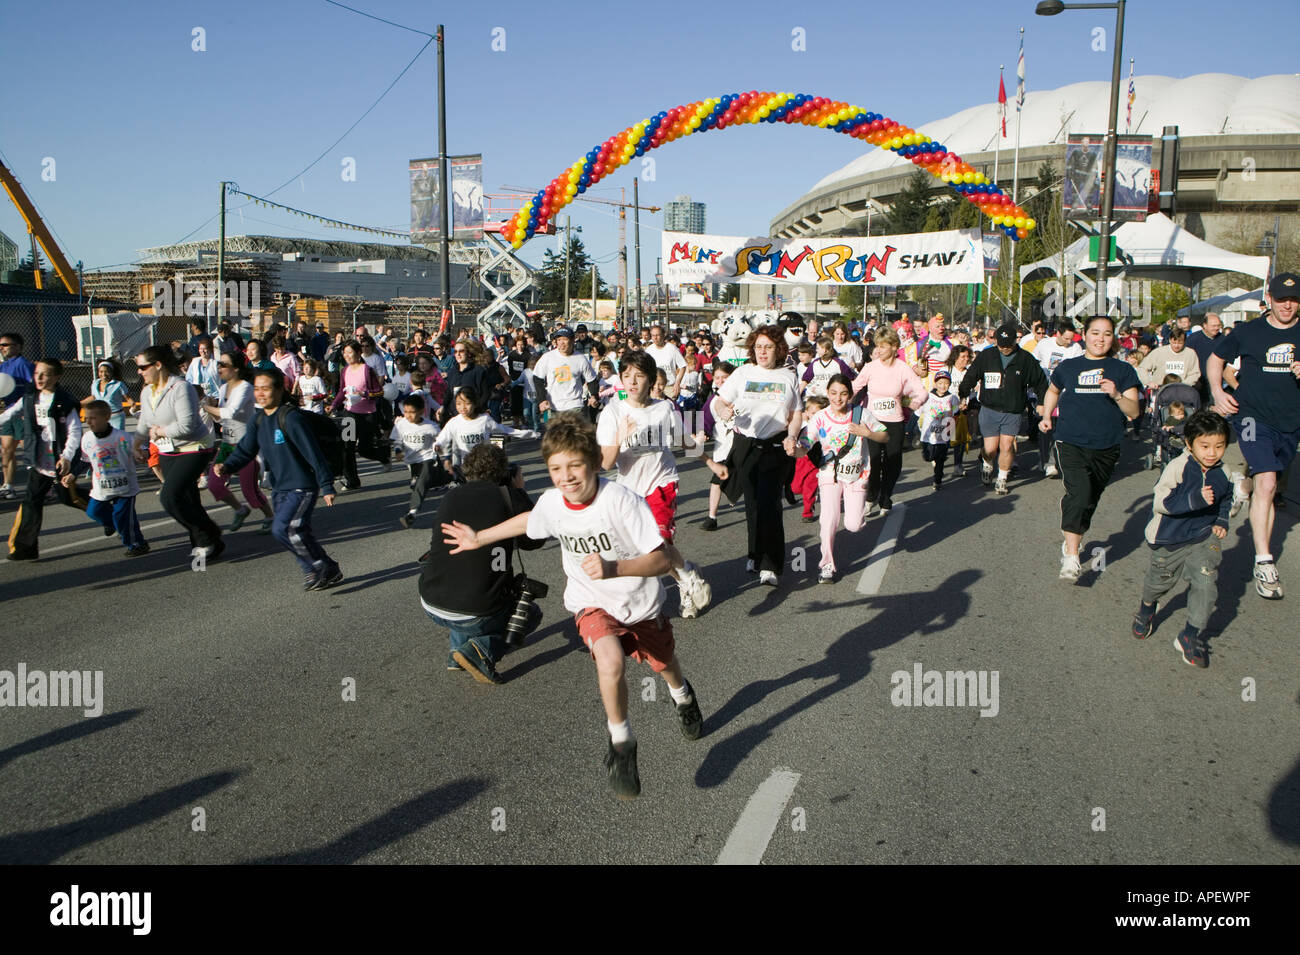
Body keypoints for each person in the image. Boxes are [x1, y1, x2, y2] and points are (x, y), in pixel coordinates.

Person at [442, 412, 704, 799]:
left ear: (596, 463)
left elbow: (663, 560)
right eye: (555, 468)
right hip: (591, 602)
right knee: (610, 661)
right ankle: (621, 745)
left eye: (575, 466)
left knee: (664, 664)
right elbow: (532, 519)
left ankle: (682, 695)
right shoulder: (554, 502)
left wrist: (615, 567)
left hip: (639, 601)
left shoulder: (621, 501)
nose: (566, 477)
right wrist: (479, 538)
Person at [596, 351, 712, 619]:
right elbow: (605, 463)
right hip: (629, 490)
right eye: (627, 376)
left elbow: (684, 441)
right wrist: (619, 435)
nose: (633, 382)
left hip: (662, 483)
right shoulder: (613, 411)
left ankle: (686, 581)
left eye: (639, 376)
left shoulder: (664, 409)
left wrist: (710, 463)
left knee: (659, 542)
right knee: (646, 550)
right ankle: (686, 574)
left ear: (650, 379)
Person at [1207, 272, 1300, 599]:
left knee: (1266, 479)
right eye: (1281, 299)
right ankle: (1264, 561)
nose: (1287, 305)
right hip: (1251, 417)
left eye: (1293, 299)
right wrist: (1218, 392)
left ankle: (1241, 485)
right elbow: (1216, 358)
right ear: (1269, 299)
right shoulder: (1248, 331)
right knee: (1269, 483)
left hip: (1291, 422)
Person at [419, 443, 544, 682]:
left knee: (465, 578)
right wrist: (519, 491)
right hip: (476, 612)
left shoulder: (451, 495)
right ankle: (480, 651)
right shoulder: (507, 496)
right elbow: (533, 541)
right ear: (504, 471)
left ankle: (456, 653)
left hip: (431, 600)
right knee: (531, 613)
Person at [214, 367, 342, 591]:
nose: (260, 393)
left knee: (283, 529)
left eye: (265, 388)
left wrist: (326, 485)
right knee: (298, 532)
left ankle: (319, 566)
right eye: (257, 389)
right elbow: (245, 450)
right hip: (280, 487)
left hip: (302, 487)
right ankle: (321, 568)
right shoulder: (258, 420)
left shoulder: (290, 418)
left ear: (280, 390)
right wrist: (226, 466)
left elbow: (313, 453)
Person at [1039, 315, 1142, 582]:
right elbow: (1052, 390)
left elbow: (1134, 412)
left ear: (1113, 338)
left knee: (1090, 499)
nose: (1100, 339)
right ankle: (1071, 556)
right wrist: (1047, 415)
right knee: (1080, 492)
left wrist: (1117, 395)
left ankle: (1073, 533)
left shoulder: (1122, 370)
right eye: (1095, 333)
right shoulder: (1069, 366)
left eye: (1107, 334)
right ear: (1083, 335)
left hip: (1107, 444)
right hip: (1070, 440)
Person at [1131, 411, 1232, 667]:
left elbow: (1226, 499)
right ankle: (1147, 607)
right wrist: (1195, 499)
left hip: (1203, 536)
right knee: (1158, 583)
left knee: (1206, 584)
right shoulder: (1178, 467)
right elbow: (1161, 502)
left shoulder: (1224, 472)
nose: (1212, 453)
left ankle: (1190, 634)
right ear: (1189, 444)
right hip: (1170, 537)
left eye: (1219, 446)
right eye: (1205, 446)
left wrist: (1222, 520)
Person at [713, 325, 804, 586]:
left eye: (768, 347)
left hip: (775, 445)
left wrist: (792, 435)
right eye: (758, 346)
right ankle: (754, 554)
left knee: (770, 504)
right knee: (752, 504)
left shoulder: (788, 376)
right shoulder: (743, 373)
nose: (762, 352)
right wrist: (723, 412)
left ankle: (771, 564)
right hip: (746, 445)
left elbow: (796, 412)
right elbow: (719, 401)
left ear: (779, 350)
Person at [133, 345, 225, 561]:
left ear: (158, 365)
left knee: (169, 497)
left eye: (143, 367)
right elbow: (144, 421)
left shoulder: (181, 388)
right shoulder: (148, 391)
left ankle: (208, 534)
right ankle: (210, 544)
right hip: (168, 449)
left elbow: (188, 426)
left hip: (195, 447)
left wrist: (159, 431)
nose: (139, 371)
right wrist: (136, 443)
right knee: (188, 498)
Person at [800, 375, 887, 582]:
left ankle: (857, 515)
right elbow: (805, 443)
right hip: (829, 473)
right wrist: (794, 448)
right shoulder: (820, 417)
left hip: (857, 475)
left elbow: (884, 435)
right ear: (828, 393)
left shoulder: (860, 414)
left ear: (850, 395)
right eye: (833, 393)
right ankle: (827, 565)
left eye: (843, 394)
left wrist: (868, 433)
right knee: (828, 520)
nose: (838, 398)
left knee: (853, 525)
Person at [3, 359, 87, 560]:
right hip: (39, 460)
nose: (39, 378)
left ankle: (110, 513)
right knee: (32, 501)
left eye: (45, 374)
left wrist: (66, 457)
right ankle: (26, 548)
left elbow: (75, 432)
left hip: (60, 460)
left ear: (57, 377)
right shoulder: (30, 397)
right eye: (37, 374)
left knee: (69, 498)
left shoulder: (65, 401)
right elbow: (8, 415)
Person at [958, 323, 1048, 495]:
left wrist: (1042, 403)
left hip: (1013, 410)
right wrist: (963, 393)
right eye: (1001, 345)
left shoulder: (1025, 359)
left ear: (1015, 342)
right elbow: (972, 375)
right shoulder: (987, 356)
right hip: (990, 408)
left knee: (1007, 446)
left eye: (1009, 345)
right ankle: (987, 462)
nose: (1005, 349)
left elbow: (1040, 381)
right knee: (990, 449)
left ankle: (1002, 478)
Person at [849, 326, 929, 512]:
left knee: (893, 462)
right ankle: (871, 496)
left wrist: (916, 402)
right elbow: (855, 387)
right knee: (874, 460)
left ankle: (886, 496)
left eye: (883, 346)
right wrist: (841, 403)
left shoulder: (903, 369)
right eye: (877, 346)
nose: (878, 350)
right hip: (872, 421)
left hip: (894, 421)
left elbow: (921, 391)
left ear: (894, 347)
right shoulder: (870, 367)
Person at [63, 399, 149, 556]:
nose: (88, 421)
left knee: (123, 517)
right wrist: (72, 475)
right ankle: (113, 524)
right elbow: (85, 460)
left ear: (107, 417)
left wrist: (140, 454)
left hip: (125, 486)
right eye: (86, 417)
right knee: (94, 512)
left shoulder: (122, 437)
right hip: (102, 486)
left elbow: (141, 450)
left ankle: (137, 544)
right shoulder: (87, 438)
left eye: (93, 418)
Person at [202, 350, 274, 533]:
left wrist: (206, 406)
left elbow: (231, 412)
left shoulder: (245, 388)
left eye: (223, 364)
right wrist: (210, 406)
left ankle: (270, 516)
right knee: (214, 484)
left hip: (245, 446)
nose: (219, 367)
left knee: (249, 491)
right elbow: (221, 419)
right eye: (218, 364)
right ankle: (240, 510)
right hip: (227, 443)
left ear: (235, 369)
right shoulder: (223, 388)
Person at [435, 388, 538, 481]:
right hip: (467, 465)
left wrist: (527, 434)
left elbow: (504, 430)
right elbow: (443, 437)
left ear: (475, 403)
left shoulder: (484, 419)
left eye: (467, 403)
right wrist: (437, 445)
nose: (463, 407)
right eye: (458, 404)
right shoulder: (454, 422)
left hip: (485, 464)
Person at [330, 339, 390, 489]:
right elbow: (341, 392)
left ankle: (384, 457)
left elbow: (379, 391)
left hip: (367, 415)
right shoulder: (345, 371)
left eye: (350, 352)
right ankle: (352, 481)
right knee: (346, 447)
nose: (347, 356)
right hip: (349, 413)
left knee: (364, 449)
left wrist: (364, 394)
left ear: (358, 353)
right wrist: (333, 405)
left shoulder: (367, 370)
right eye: (345, 353)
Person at [1033, 322, 1084, 478]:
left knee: (1060, 428)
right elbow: (1034, 363)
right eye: (1066, 338)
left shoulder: (1075, 348)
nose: (1069, 342)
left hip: (1065, 394)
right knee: (1045, 428)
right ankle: (1045, 460)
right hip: (1046, 391)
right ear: (1058, 334)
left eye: (1071, 339)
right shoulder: (1044, 344)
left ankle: (1055, 460)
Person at [694, 361, 739, 532]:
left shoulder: (741, 397)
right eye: (717, 378)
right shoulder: (713, 401)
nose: (720, 381)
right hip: (722, 446)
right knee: (717, 480)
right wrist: (701, 434)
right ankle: (712, 516)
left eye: (724, 378)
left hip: (742, 444)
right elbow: (702, 420)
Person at [391, 394, 448, 529]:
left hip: (428, 458)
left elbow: (441, 440)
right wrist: (398, 451)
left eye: (412, 412)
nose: (408, 415)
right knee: (426, 483)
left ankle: (412, 513)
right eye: (405, 412)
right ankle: (453, 478)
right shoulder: (401, 424)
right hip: (411, 462)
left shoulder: (431, 426)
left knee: (421, 484)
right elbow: (397, 441)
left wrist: (440, 447)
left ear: (421, 411)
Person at [0, 332, 37, 500]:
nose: (2, 348)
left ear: (18, 347)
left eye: (5, 345)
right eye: (0, 345)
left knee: (31, 452)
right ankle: (8, 485)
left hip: (24, 414)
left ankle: (44, 486)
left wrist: (26, 410)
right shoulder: (3, 366)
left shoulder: (24, 365)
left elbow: (33, 389)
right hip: (8, 414)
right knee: (6, 450)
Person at [534, 328, 600, 421]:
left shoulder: (580, 358)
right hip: (553, 406)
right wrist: (542, 400)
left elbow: (592, 379)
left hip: (575, 405)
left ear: (573, 340)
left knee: (575, 434)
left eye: (565, 339)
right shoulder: (547, 357)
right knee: (553, 435)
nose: (561, 343)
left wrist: (594, 396)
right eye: (559, 340)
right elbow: (537, 378)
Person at [918, 369, 960, 490]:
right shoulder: (928, 396)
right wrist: (909, 427)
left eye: (946, 383)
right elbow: (918, 412)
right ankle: (932, 459)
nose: (943, 386)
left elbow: (956, 413)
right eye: (940, 383)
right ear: (935, 384)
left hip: (943, 434)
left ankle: (938, 480)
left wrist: (951, 433)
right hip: (928, 434)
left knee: (940, 459)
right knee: (928, 457)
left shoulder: (952, 398)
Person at [790, 394, 828, 522]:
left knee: (809, 489)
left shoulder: (825, 428)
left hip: (816, 462)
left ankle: (808, 512)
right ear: (807, 413)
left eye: (819, 413)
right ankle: (808, 497)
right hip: (802, 459)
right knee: (795, 487)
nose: (816, 416)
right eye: (813, 413)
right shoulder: (801, 423)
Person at [643, 324, 686, 398]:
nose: (655, 338)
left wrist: (677, 382)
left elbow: (683, 366)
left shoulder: (672, 348)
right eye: (653, 335)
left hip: (669, 387)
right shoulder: (649, 350)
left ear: (663, 335)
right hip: (654, 388)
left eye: (658, 335)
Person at [89, 358, 132, 431]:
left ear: (111, 372)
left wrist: (133, 404)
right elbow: (93, 397)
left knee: (117, 440)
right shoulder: (95, 384)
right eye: (101, 372)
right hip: (101, 417)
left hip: (116, 416)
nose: (103, 374)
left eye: (107, 372)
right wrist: (79, 403)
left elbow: (127, 398)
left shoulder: (119, 384)